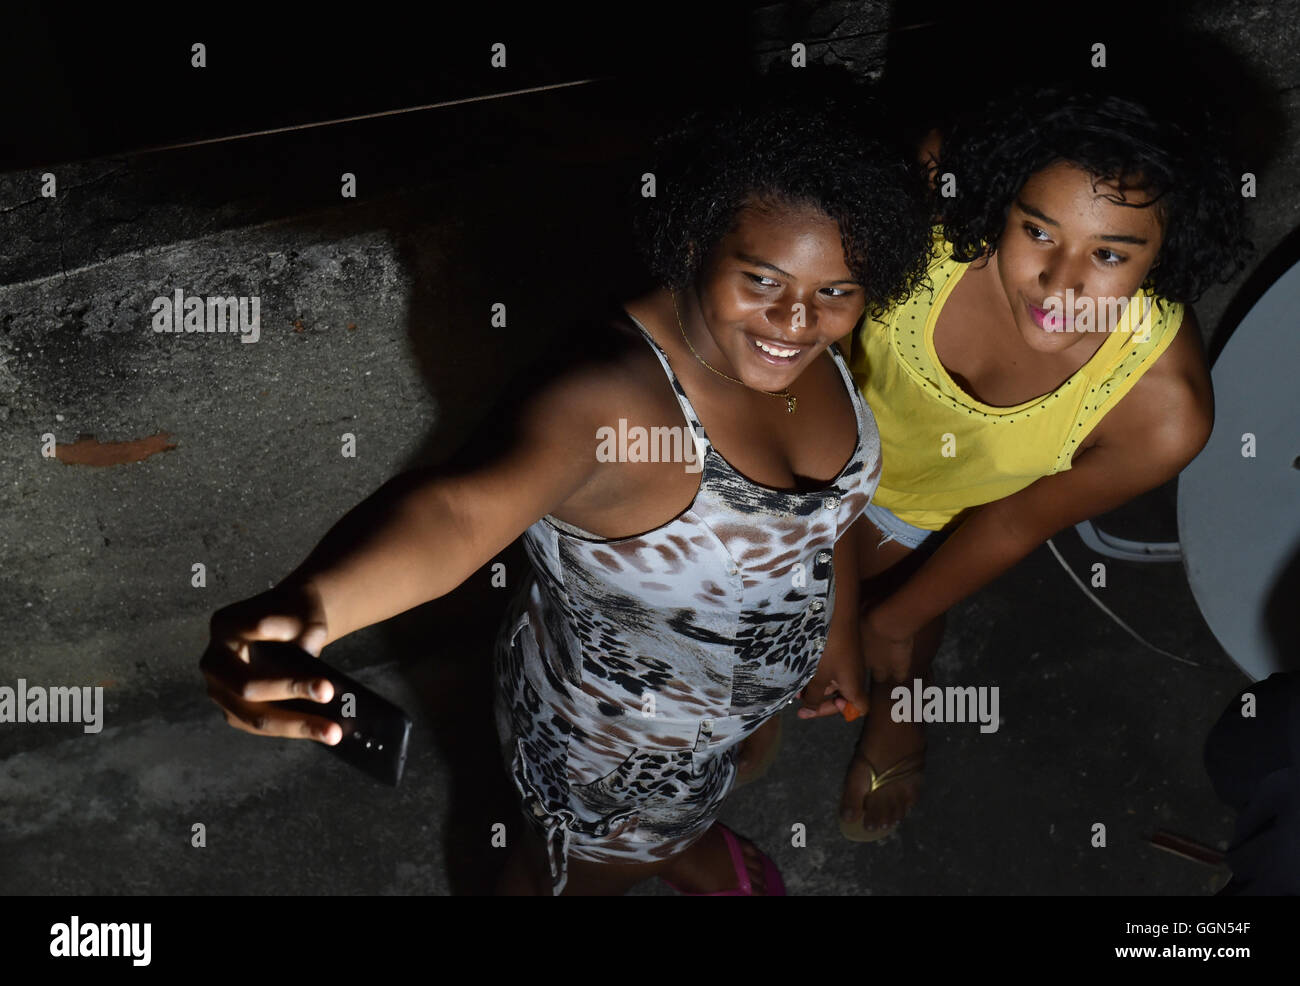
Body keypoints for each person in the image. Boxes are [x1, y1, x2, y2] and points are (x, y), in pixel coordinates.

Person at [199, 76, 932, 895]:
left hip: (729, 722)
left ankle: (682, 844)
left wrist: (833, 637)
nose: (798, 322)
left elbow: (819, 527)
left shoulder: (810, 350)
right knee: (570, 874)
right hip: (610, 751)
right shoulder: (608, 399)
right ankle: (649, 852)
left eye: (835, 292)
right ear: (694, 241)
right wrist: (315, 606)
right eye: (761, 280)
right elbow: (457, 510)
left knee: (697, 799)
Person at [787, 82, 1252, 841]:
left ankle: (901, 703)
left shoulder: (1163, 414)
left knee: (900, 616)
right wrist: (838, 600)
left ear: (1168, 252)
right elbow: (807, 344)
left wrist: (886, 624)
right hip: (803, 421)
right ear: (1002, 201)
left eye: (1110, 254)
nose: (1061, 284)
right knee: (757, 609)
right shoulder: (937, 193)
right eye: (1038, 232)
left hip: (926, 512)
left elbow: (1008, 525)